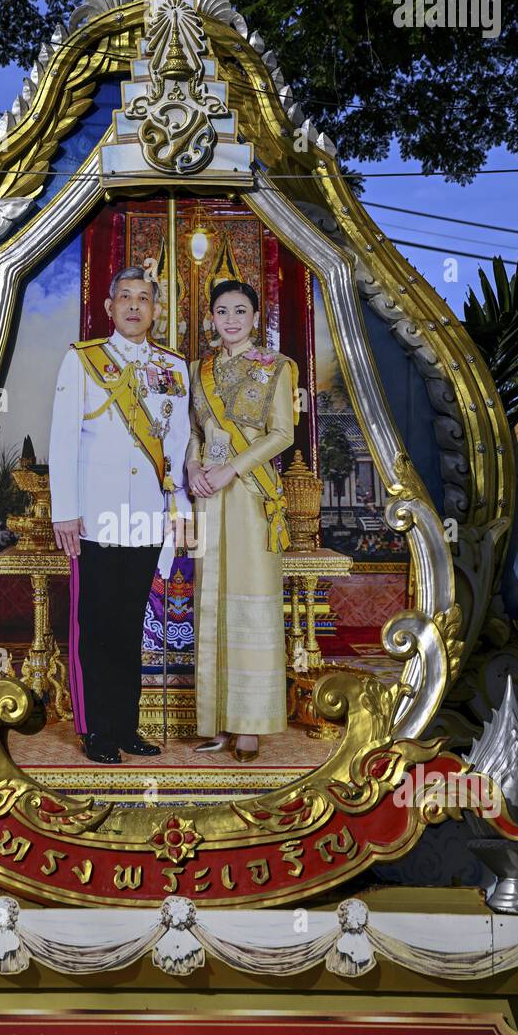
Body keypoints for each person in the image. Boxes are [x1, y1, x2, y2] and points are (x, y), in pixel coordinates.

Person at [49, 267, 191, 764]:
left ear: (156, 310)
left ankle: (127, 726)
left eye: (144, 298)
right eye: (125, 297)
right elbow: (63, 439)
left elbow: (175, 451)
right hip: (94, 516)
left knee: (130, 626)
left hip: (147, 518)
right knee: (95, 624)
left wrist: (179, 513)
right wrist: (64, 511)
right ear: (109, 307)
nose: (134, 306)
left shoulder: (175, 368)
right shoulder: (84, 361)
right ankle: (96, 730)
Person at [188, 279, 297, 761]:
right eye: (221, 311)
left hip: (250, 495)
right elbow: (192, 432)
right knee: (211, 604)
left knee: (250, 602)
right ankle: (214, 720)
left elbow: (282, 435)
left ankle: (249, 724)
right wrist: (194, 468)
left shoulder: (277, 368)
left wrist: (231, 467)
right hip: (207, 496)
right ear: (212, 318)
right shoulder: (199, 369)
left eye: (240, 311)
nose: (230, 319)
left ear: (257, 317)